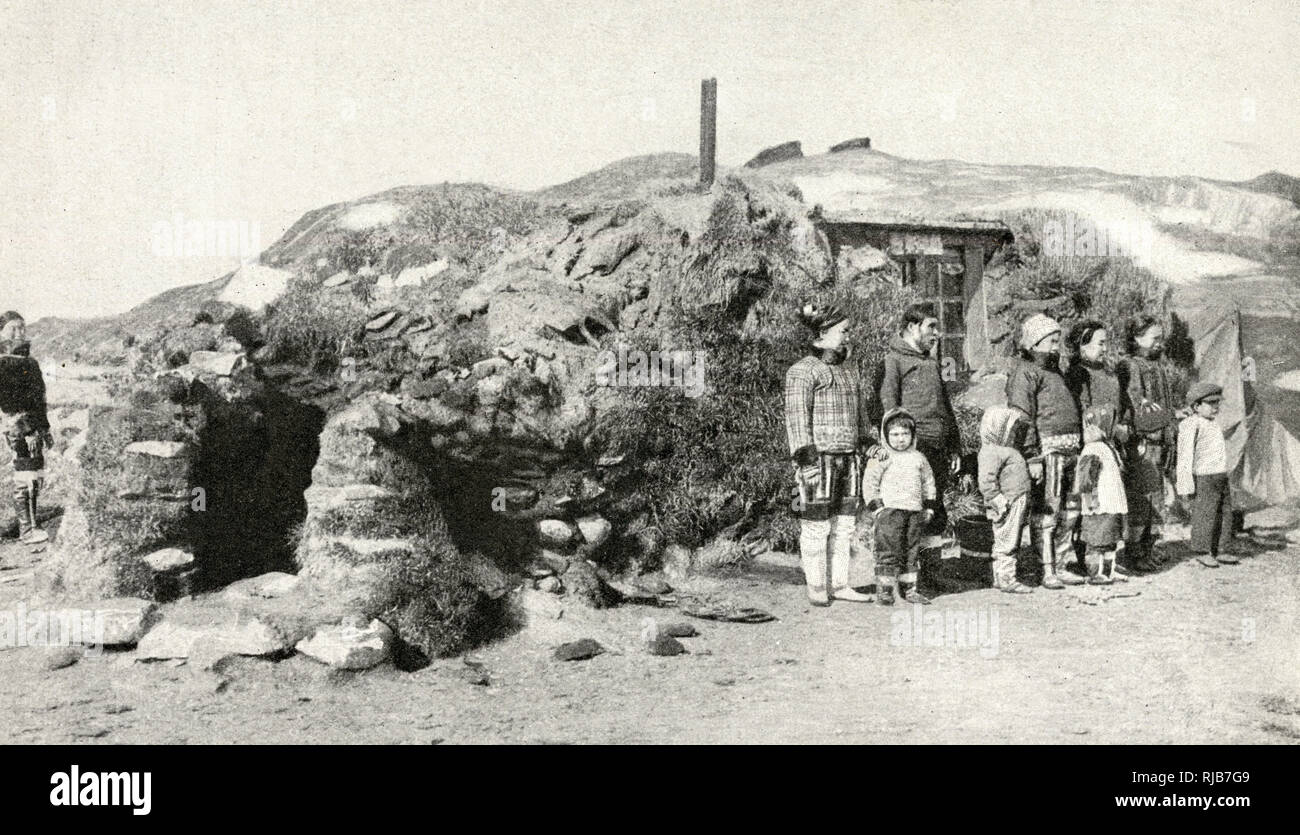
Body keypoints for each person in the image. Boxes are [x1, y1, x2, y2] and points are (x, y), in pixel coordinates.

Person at [785, 301, 875, 606]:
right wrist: (806, 462)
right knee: (816, 526)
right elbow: (797, 420)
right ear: (822, 333)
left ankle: (840, 584)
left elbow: (861, 416)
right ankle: (816, 586)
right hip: (818, 462)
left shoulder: (850, 372)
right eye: (843, 330)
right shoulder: (803, 371)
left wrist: (870, 445)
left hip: (849, 460)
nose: (848, 336)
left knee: (844, 526)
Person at [877, 303, 962, 573]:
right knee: (909, 514)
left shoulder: (931, 362)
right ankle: (905, 574)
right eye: (931, 326)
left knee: (933, 509)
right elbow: (888, 409)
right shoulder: (893, 361)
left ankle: (931, 573)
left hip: (937, 448)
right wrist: (896, 451)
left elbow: (945, 407)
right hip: (912, 450)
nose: (936, 333)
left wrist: (954, 446)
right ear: (913, 327)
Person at [1006, 313, 1085, 589]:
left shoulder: (1055, 371)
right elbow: (1022, 418)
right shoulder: (1025, 373)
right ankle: (1047, 569)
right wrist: (1032, 457)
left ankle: (1062, 564)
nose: (1056, 347)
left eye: (1057, 341)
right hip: (1047, 453)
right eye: (1051, 341)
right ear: (1034, 342)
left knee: (1070, 510)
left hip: (1071, 450)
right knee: (1047, 511)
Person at [1118, 316, 1182, 571]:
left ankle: (1148, 547)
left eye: (1160, 338)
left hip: (1159, 441)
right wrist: (1170, 416)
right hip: (1143, 443)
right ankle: (1134, 553)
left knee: (1155, 498)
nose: (1160, 343)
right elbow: (1138, 408)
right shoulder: (1131, 366)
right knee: (1141, 499)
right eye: (1154, 338)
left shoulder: (1156, 366)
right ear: (1137, 338)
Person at [863, 407, 936, 605]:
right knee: (888, 550)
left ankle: (909, 589)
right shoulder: (882, 457)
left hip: (914, 511)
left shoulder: (919, 458)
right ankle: (885, 590)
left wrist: (928, 506)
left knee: (911, 550)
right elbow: (870, 483)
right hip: (890, 512)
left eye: (905, 434)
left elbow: (928, 482)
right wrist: (877, 508)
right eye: (894, 434)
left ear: (912, 435)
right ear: (885, 435)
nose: (900, 439)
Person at [0, 311, 53, 544]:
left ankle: (32, 525)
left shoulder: (30, 362)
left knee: (36, 473)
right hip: (18, 427)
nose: (19, 332)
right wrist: (28, 429)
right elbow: (10, 403)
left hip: (34, 427)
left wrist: (45, 429)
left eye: (22, 327)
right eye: (13, 328)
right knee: (26, 475)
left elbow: (38, 399)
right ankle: (27, 530)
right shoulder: (3, 362)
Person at [1176, 382, 1237, 568]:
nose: (1216, 407)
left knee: (1224, 512)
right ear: (1196, 406)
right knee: (1205, 514)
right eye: (1211, 404)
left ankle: (1222, 548)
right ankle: (1203, 550)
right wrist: (1185, 486)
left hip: (1219, 475)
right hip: (1202, 477)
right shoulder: (1190, 425)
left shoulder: (1213, 424)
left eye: (1217, 403)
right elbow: (1185, 456)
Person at [977, 405, 1034, 593]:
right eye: (1010, 431)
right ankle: (1006, 578)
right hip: (1006, 503)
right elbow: (986, 481)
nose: (1014, 435)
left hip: (1016, 500)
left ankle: (1001, 576)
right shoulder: (992, 451)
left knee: (1010, 538)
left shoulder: (1004, 450)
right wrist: (998, 500)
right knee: (1006, 540)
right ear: (998, 430)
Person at [1074, 407, 1129, 584]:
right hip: (1100, 503)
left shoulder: (1107, 447)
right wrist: (1092, 500)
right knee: (1097, 539)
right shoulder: (1093, 449)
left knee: (1110, 538)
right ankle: (1094, 572)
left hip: (1111, 501)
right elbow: (1085, 479)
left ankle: (1109, 570)